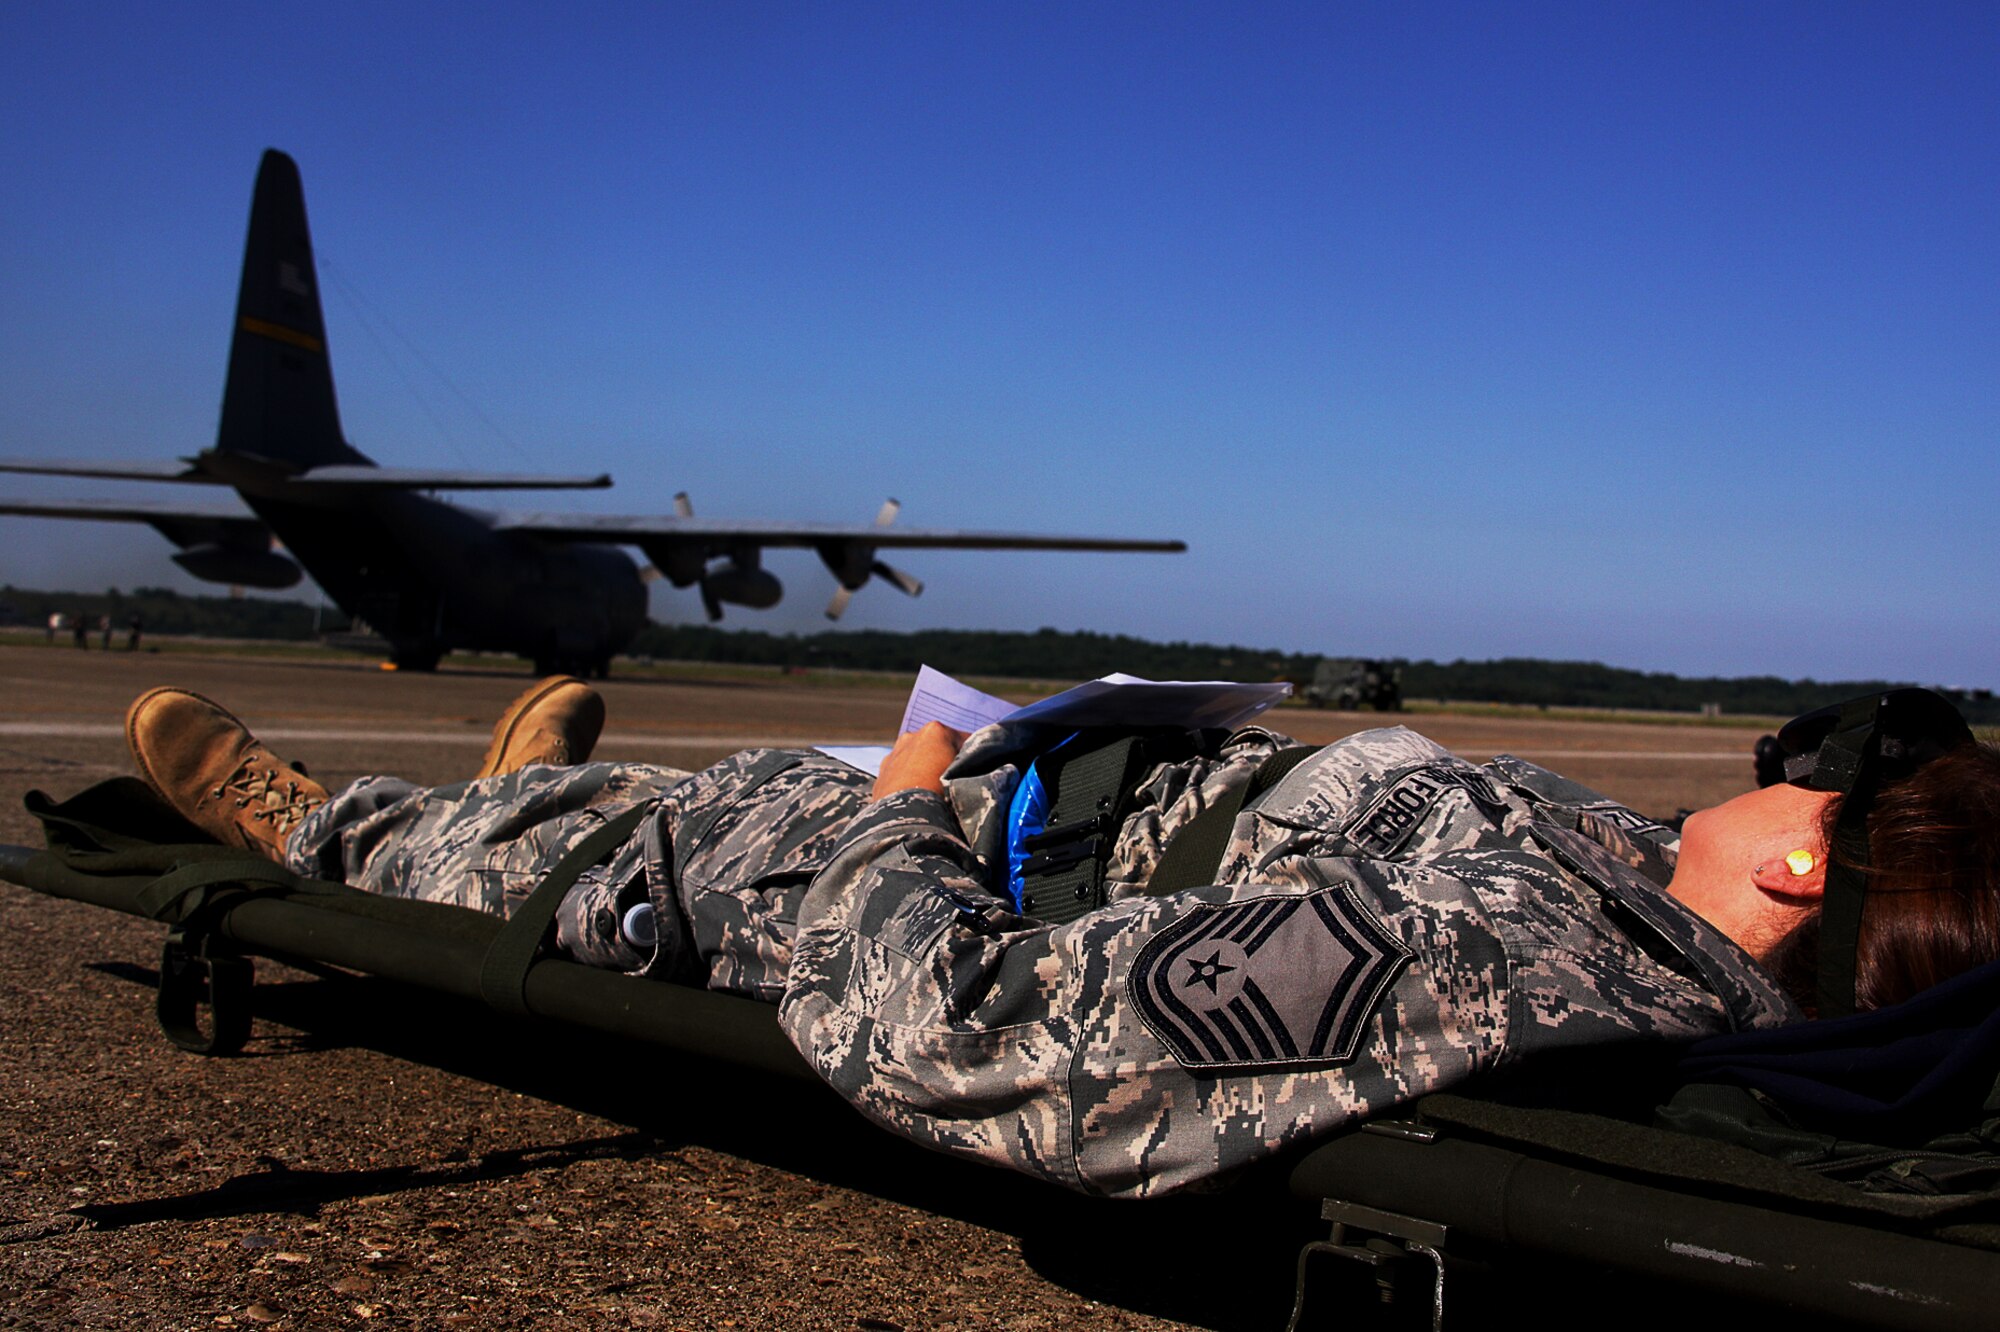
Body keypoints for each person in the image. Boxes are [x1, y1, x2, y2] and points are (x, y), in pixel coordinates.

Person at [117, 678, 2000, 1197]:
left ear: (1816, 868)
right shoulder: (1625, 871)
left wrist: (906, 817)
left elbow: (949, 1028)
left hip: (940, 878)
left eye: (1809, 783)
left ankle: (332, 828)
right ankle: (502, 803)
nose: (1772, 777)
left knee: (704, 829)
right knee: (752, 773)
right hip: (1055, 804)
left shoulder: (1500, 966)